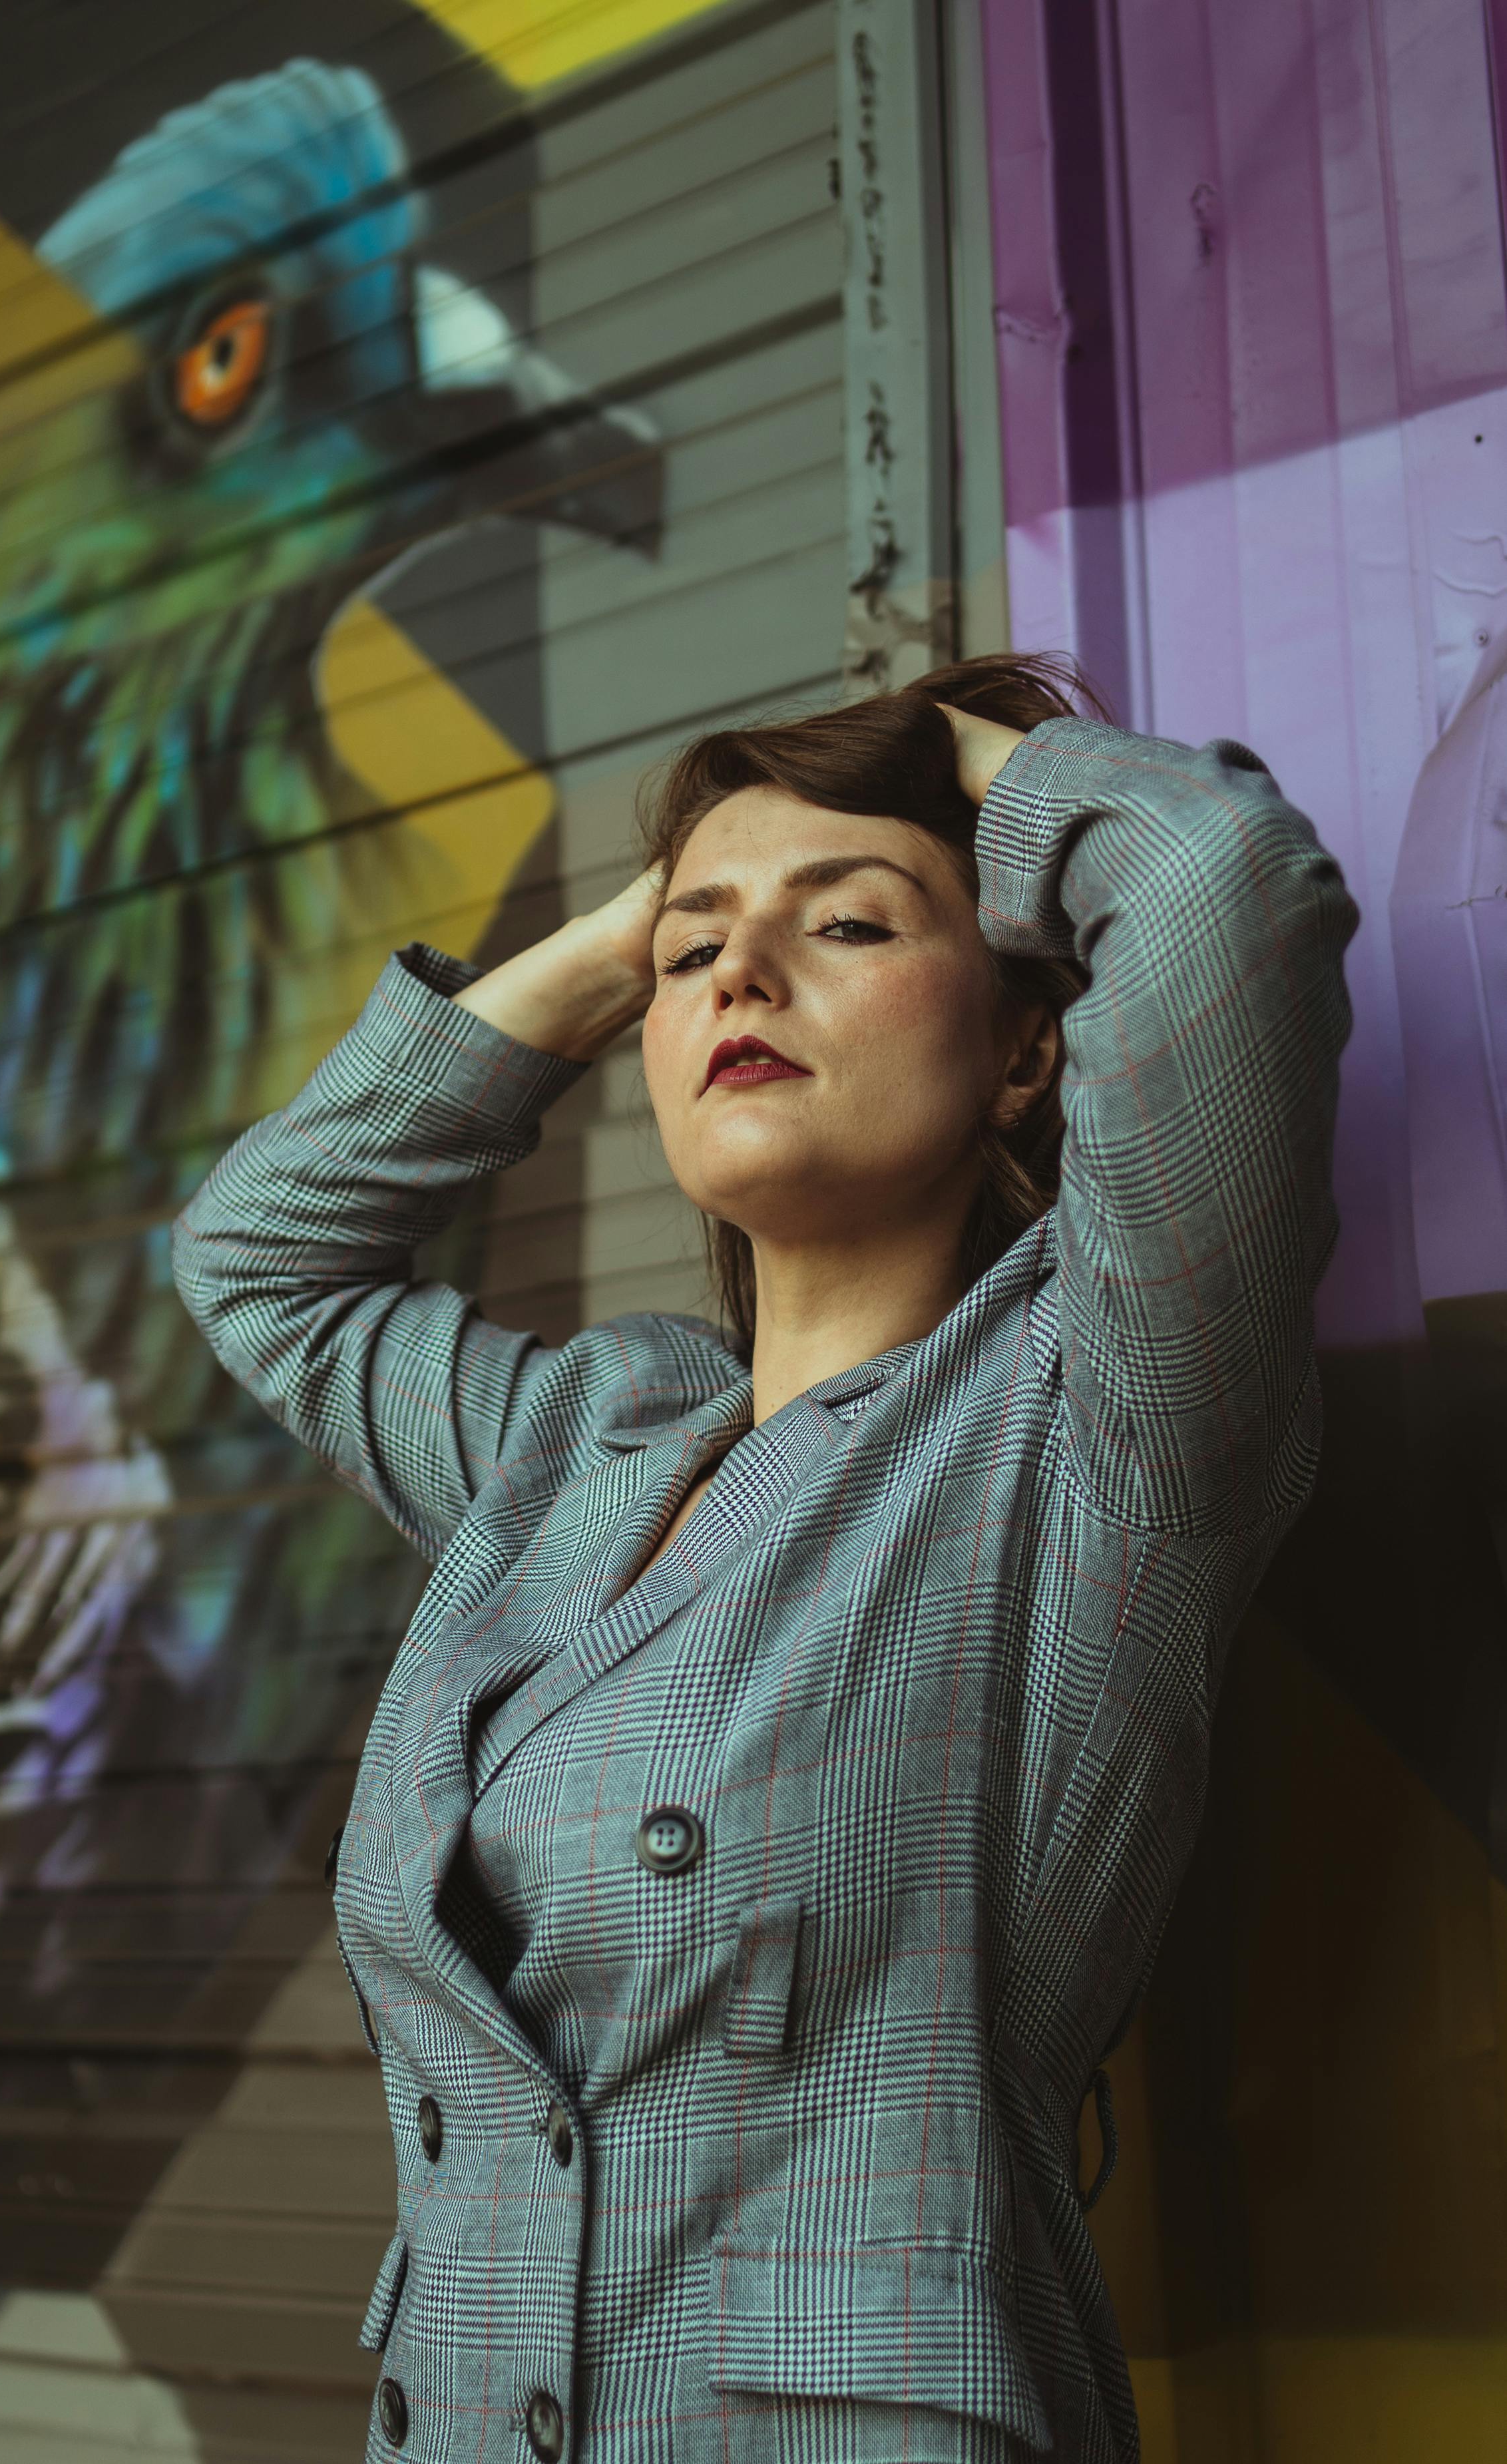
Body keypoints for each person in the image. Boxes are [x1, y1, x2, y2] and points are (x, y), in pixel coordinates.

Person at [173, 656, 1356, 2464]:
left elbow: (1220, 896)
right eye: (695, 955)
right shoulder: (579, 1444)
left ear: (1027, 1045)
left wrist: (947, 755)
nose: (741, 973)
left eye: (852, 925)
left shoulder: (1097, 1414)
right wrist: (630, 934)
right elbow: (254, 1260)